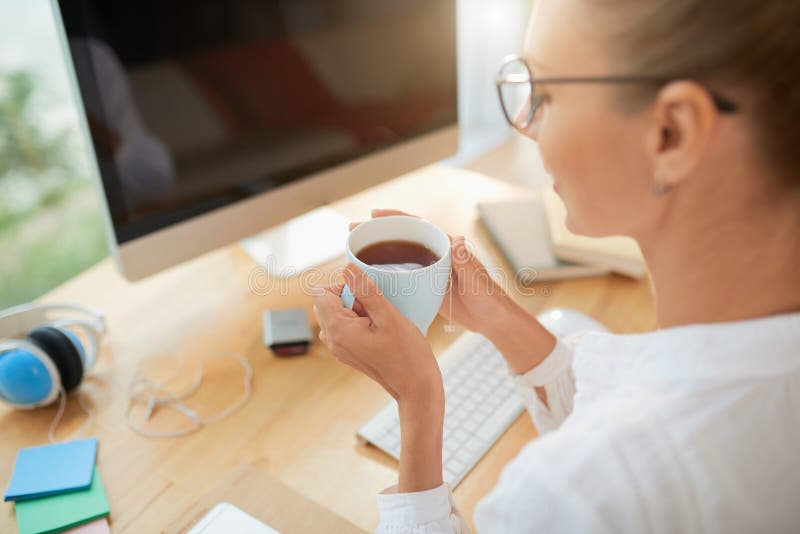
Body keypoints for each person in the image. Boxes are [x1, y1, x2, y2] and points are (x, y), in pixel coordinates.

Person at [311, 0, 800, 531]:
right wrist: (499, 318)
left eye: (545, 92)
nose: (526, 123)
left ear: (671, 133)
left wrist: (419, 402)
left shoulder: (568, 495)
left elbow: (612, 476)